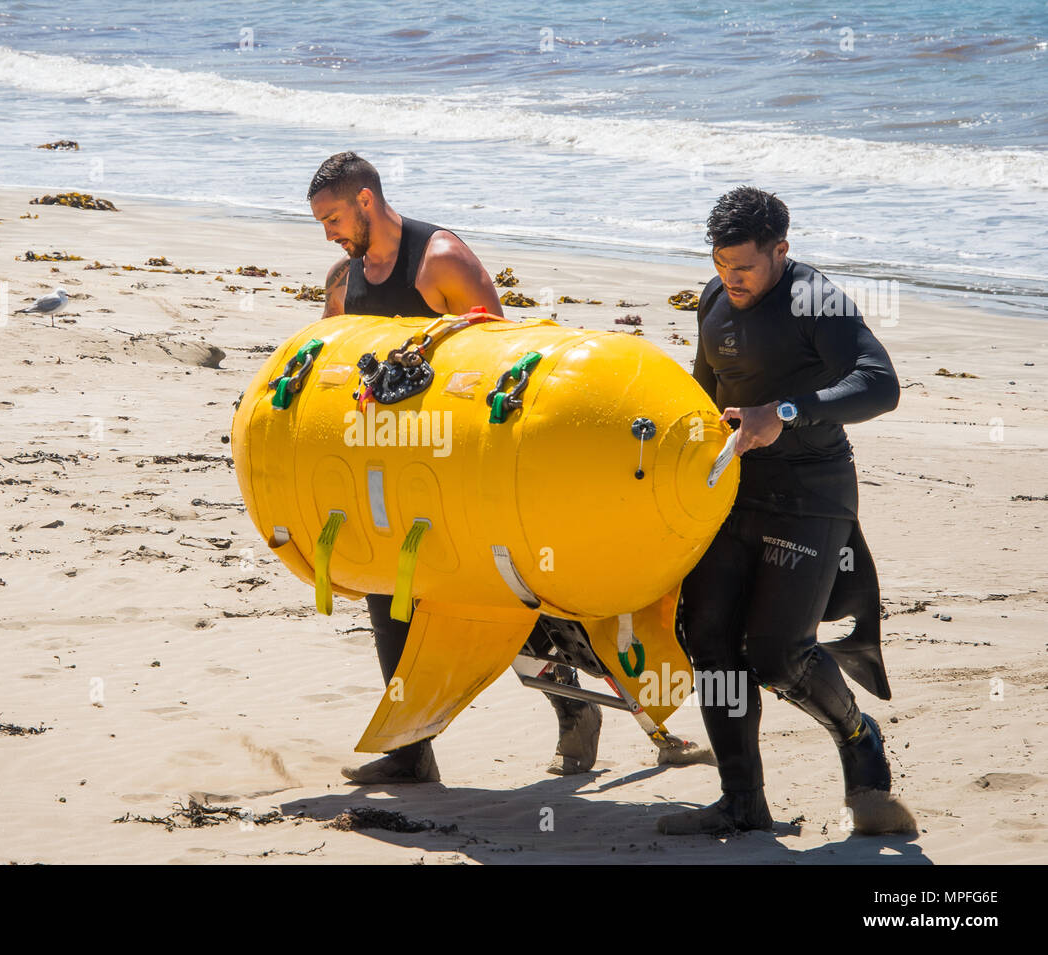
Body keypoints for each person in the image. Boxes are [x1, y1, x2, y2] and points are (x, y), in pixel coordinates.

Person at [307, 151, 603, 784]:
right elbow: (335, 367)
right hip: (387, 462)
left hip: (454, 461)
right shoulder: (344, 280)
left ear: (365, 201)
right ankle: (411, 753)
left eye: (333, 217)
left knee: (498, 594)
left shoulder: (439, 260)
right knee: (388, 589)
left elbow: (505, 359)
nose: (329, 233)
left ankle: (576, 712)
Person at [658, 186, 917, 836]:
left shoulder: (812, 298)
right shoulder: (715, 300)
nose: (731, 280)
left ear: (782, 249)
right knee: (709, 639)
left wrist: (788, 411)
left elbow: (880, 383)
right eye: (721, 265)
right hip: (734, 490)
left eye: (744, 267)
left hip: (811, 492)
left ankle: (859, 738)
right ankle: (742, 800)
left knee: (777, 655)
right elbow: (702, 394)